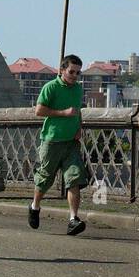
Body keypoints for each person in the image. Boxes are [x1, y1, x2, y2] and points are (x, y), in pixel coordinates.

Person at [28, 54, 88, 236]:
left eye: (77, 73)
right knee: (45, 179)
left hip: (71, 142)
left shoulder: (78, 89)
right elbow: (39, 110)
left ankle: (73, 219)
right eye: (71, 72)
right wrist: (63, 113)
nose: (74, 76)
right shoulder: (51, 87)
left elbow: (77, 111)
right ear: (62, 70)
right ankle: (35, 207)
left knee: (74, 179)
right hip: (52, 141)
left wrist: (79, 127)